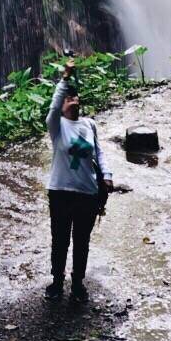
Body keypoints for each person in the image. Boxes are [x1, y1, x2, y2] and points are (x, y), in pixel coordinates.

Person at [45, 73, 112, 303]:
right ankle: (56, 281)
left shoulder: (89, 124)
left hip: (87, 192)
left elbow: (99, 153)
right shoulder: (57, 125)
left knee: (82, 241)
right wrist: (64, 79)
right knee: (60, 240)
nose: (72, 99)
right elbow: (53, 107)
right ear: (61, 103)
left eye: (75, 96)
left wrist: (107, 176)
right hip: (60, 191)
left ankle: (77, 282)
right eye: (67, 97)